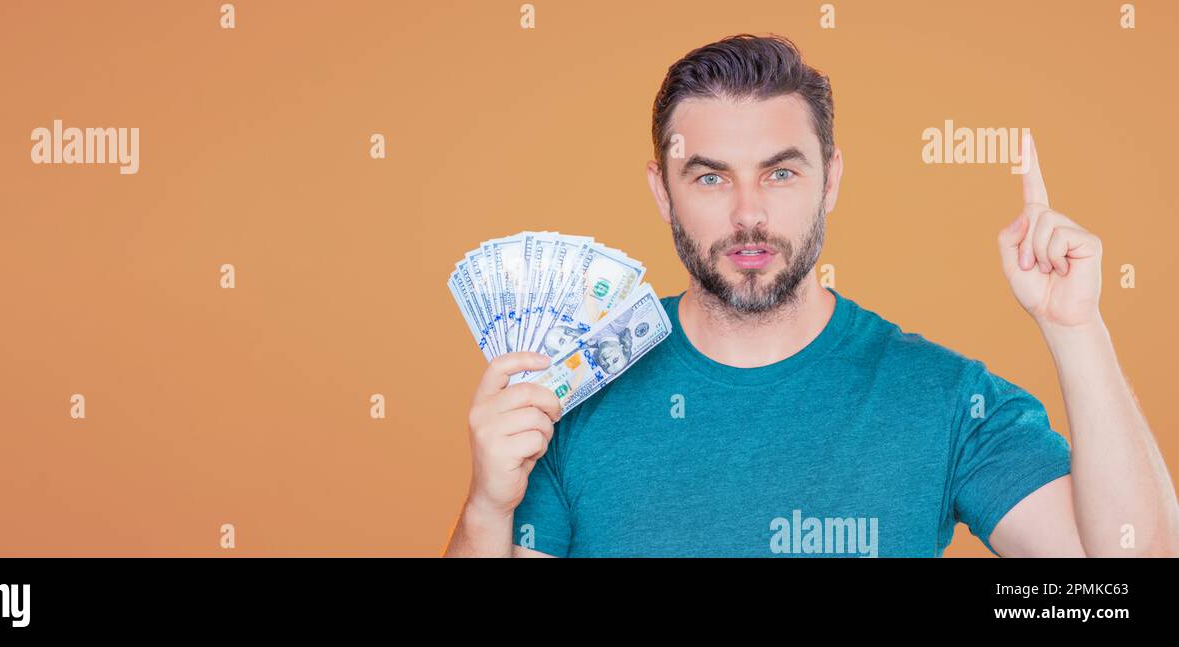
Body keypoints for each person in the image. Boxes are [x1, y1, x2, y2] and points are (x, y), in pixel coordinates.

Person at [444, 34, 1178, 557]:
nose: (748, 214)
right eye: (709, 177)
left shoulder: (949, 399)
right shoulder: (575, 392)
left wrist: (1077, 327)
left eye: (780, 173)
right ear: (661, 191)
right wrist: (486, 506)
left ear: (830, 180)